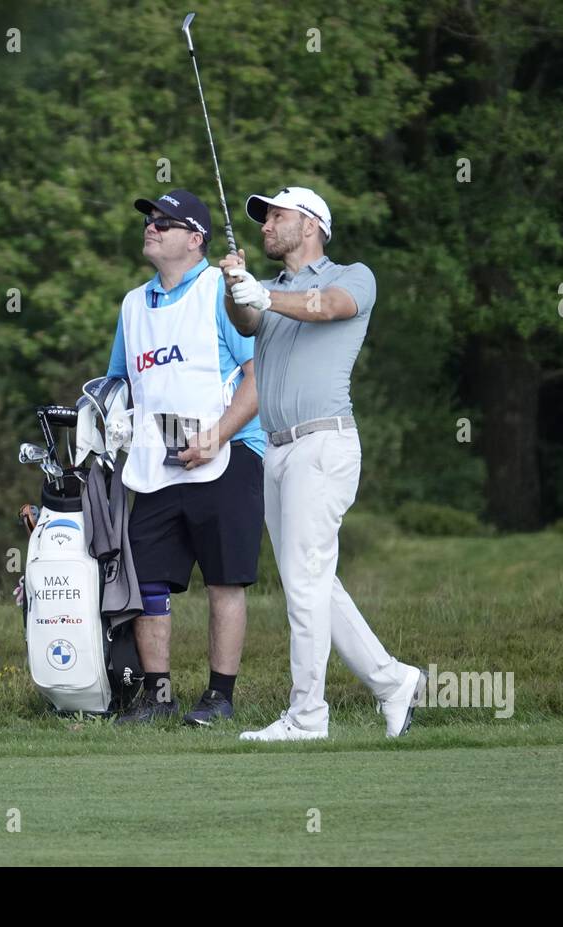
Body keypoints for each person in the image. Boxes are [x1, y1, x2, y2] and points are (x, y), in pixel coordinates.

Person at [218, 186, 424, 741]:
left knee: (306, 584)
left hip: (324, 445)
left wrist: (259, 293)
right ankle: (394, 681)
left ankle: (308, 716)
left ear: (310, 225)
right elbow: (244, 323)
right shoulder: (272, 291)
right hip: (277, 450)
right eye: (262, 219)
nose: (265, 226)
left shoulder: (353, 276)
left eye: (276, 216)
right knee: (311, 582)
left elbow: (329, 308)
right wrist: (235, 285)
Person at [107, 188, 265, 726]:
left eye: (164, 222)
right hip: (158, 459)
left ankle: (219, 697)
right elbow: (115, 386)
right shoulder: (132, 305)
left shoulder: (222, 290)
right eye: (150, 220)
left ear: (195, 238)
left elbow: (256, 376)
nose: (151, 227)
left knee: (225, 580)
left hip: (227, 450)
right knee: (148, 581)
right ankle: (158, 695)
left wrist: (215, 437)